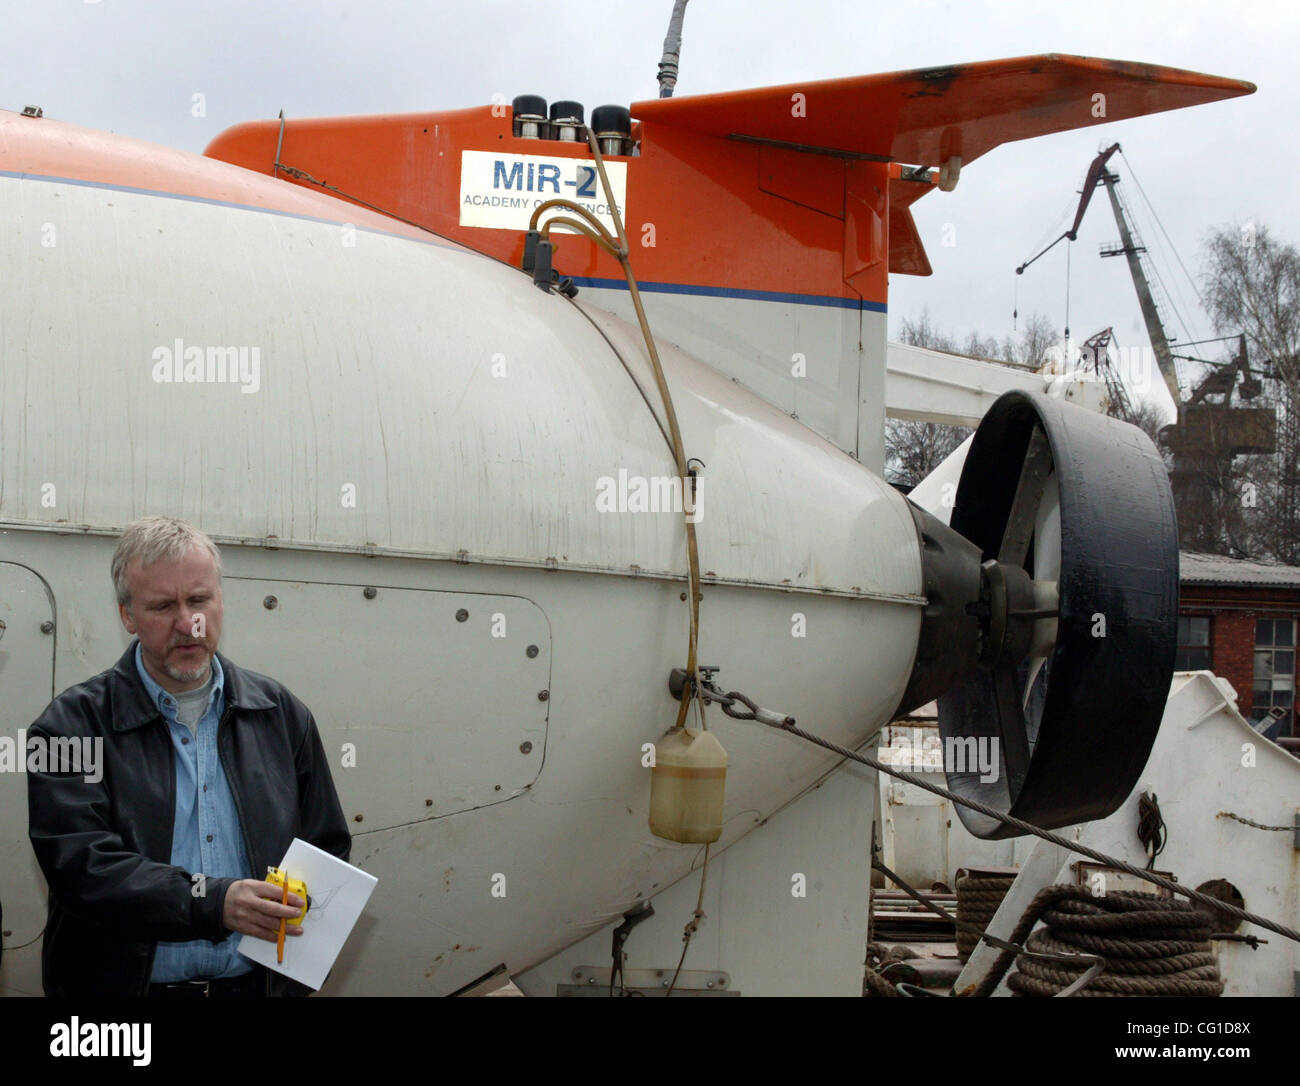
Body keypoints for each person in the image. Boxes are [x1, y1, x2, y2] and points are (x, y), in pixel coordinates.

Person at [27, 516, 351, 996]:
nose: (188, 623)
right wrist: (213, 902)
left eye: (199, 600)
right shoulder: (68, 726)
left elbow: (326, 849)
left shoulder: (280, 714)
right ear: (127, 616)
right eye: (162, 606)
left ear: (221, 599)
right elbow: (81, 867)